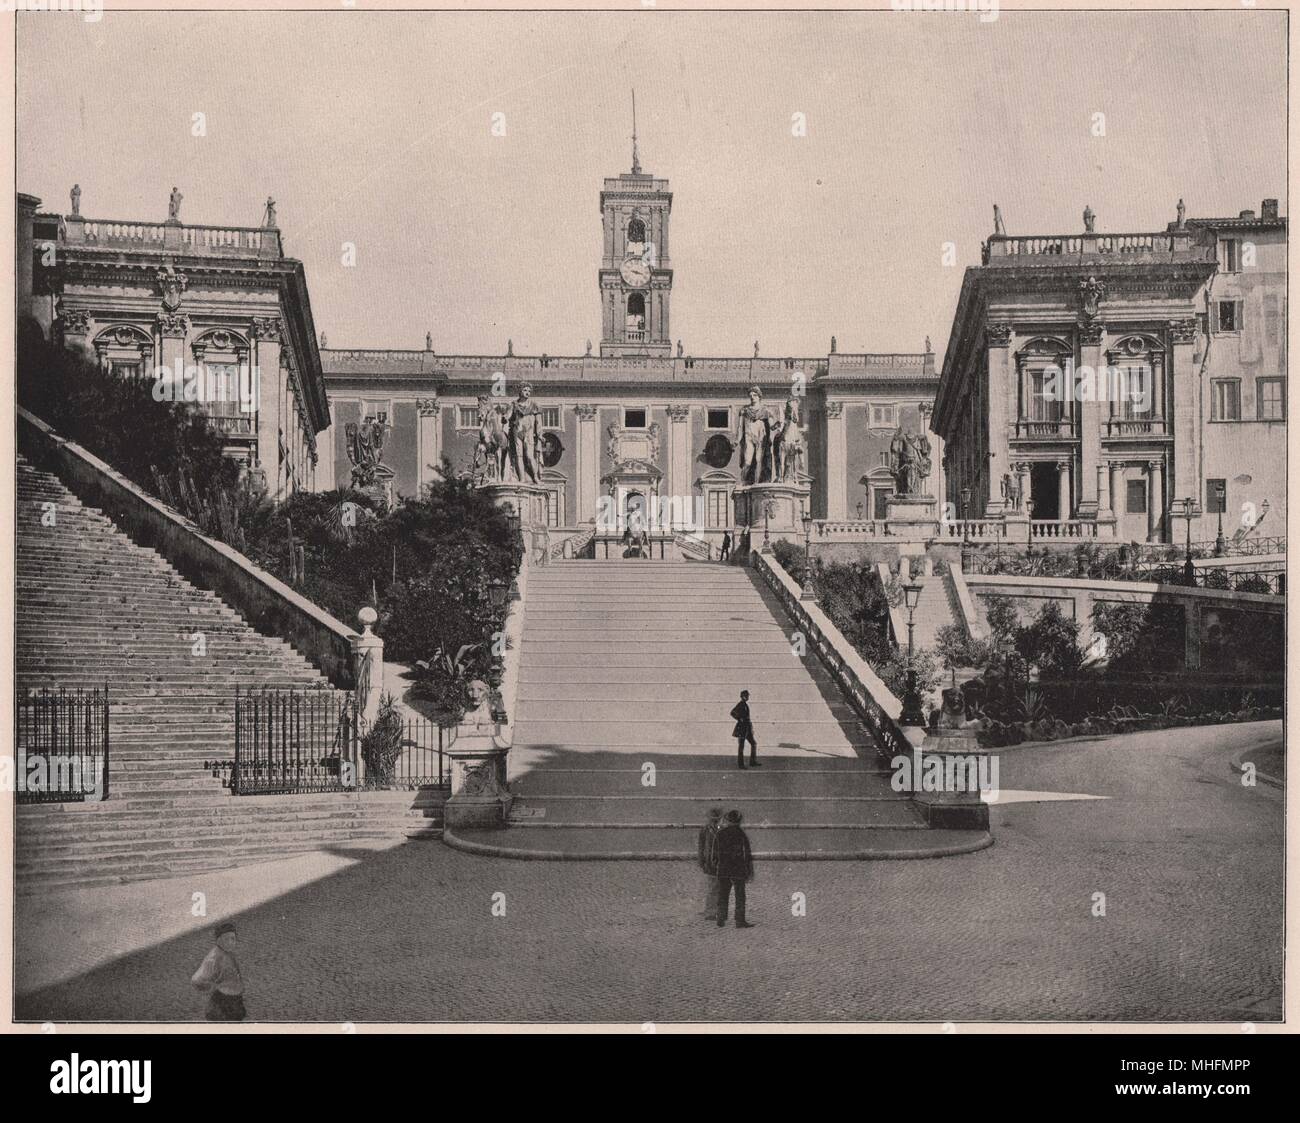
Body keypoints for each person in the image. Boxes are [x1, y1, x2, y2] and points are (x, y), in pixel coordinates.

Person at [191, 921, 246, 1021]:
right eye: (226, 939)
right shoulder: (214, 958)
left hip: (234, 999)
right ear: (218, 940)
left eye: (233, 939)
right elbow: (196, 980)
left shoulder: (227, 953)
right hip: (224, 1002)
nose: (230, 942)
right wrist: (214, 987)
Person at [714, 810, 755, 928]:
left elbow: (715, 853)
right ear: (739, 821)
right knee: (740, 895)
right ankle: (739, 920)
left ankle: (721, 917)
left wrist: (717, 865)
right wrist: (749, 870)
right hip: (738, 868)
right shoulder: (741, 834)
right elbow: (746, 854)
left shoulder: (720, 833)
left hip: (724, 868)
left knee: (723, 893)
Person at [697, 807, 723, 920]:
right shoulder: (705, 830)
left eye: (716, 819)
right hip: (710, 863)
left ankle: (714, 910)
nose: (714, 821)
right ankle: (711, 911)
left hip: (721, 863)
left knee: (717, 887)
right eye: (713, 819)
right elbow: (701, 846)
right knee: (713, 887)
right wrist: (701, 860)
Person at [730, 689, 760, 768]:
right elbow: (732, 712)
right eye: (746, 696)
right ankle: (741, 764)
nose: (747, 697)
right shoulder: (740, 704)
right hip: (742, 728)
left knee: (753, 743)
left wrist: (751, 727)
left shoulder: (745, 705)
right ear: (742, 697)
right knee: (741, 746)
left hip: (747, 728)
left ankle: (752, 762)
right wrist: (739, 719)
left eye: (747, 696)